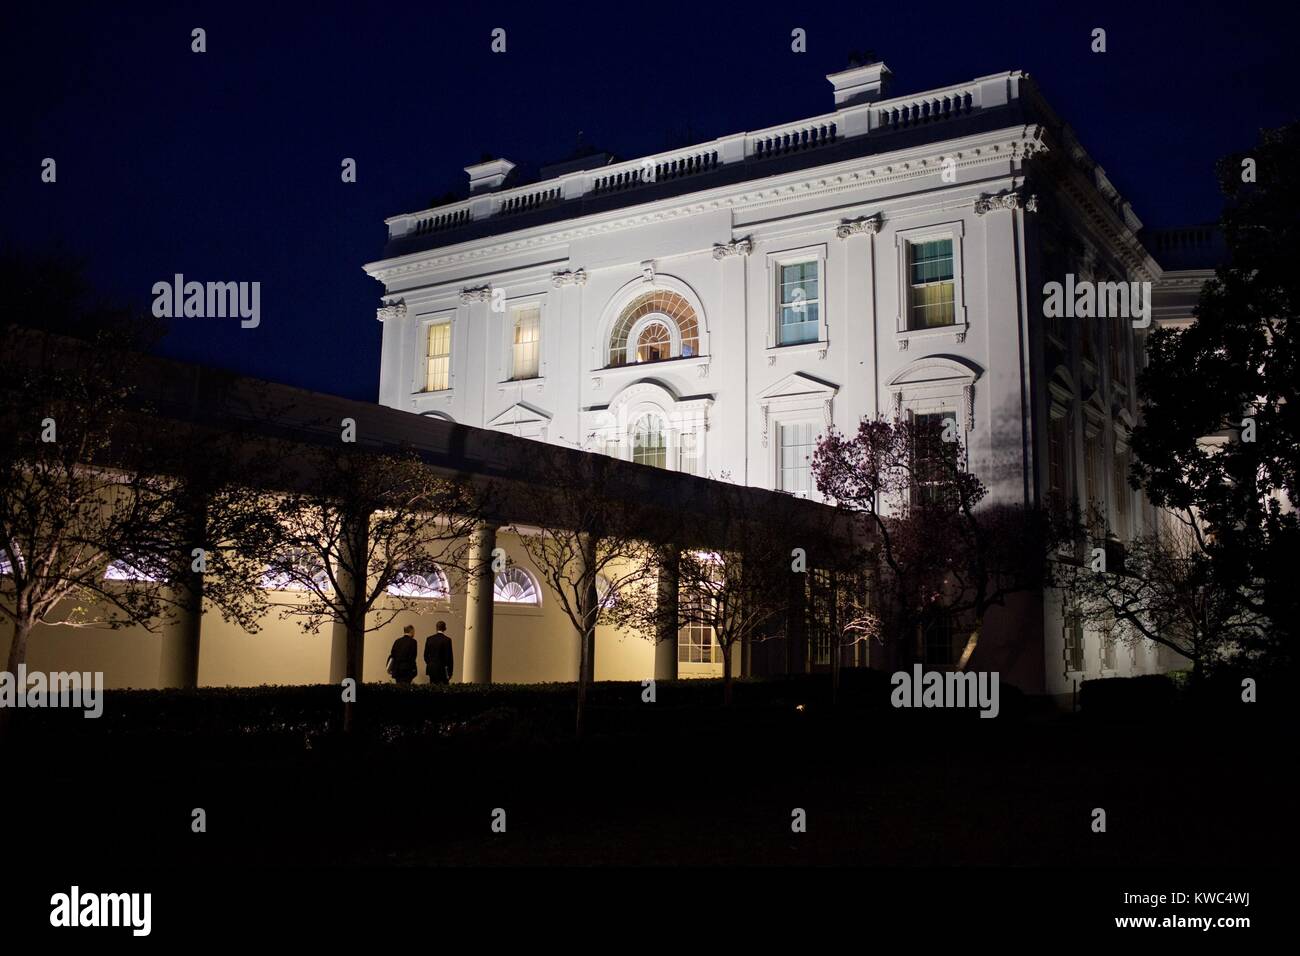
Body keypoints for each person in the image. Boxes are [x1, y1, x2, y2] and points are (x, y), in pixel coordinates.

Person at [424, 621, 454, 685]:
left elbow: (425, 655)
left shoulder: (429, 639)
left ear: (436, 628)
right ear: (445, 628)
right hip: (443, 669)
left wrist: (430, 663)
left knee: (432, 688)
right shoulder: (447, 640)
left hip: (432, 669)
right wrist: (450, 672)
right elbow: (449, 657)